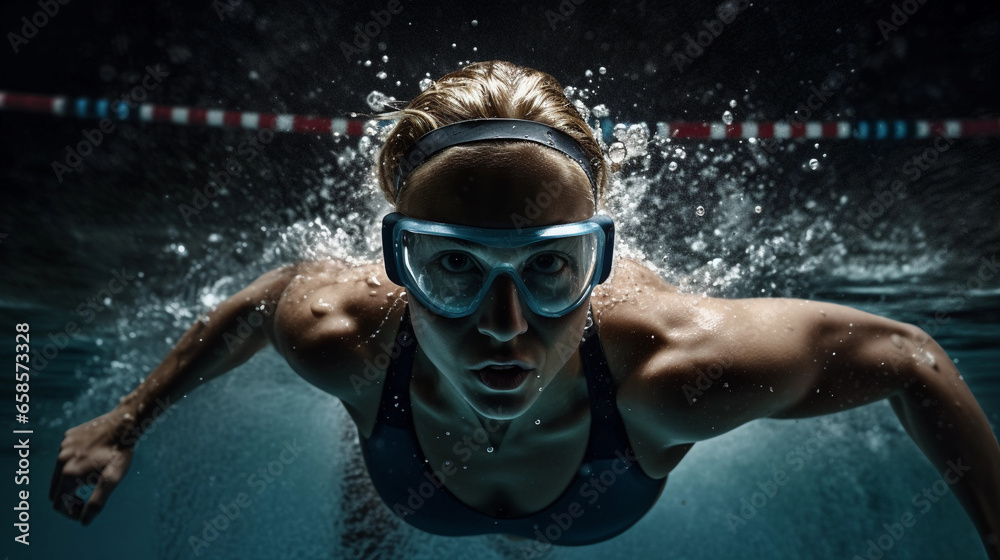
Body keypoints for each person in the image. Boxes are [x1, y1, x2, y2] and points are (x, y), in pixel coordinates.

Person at [50, 60, 1000, 556]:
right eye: (453, 270)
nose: (503, 326)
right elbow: (265, 302)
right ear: (399, 260)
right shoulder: (346, 335)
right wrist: (126, 419)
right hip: (404, 421)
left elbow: (911, 355)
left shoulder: (675, 374)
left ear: (596, 260)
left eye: (550, 272)